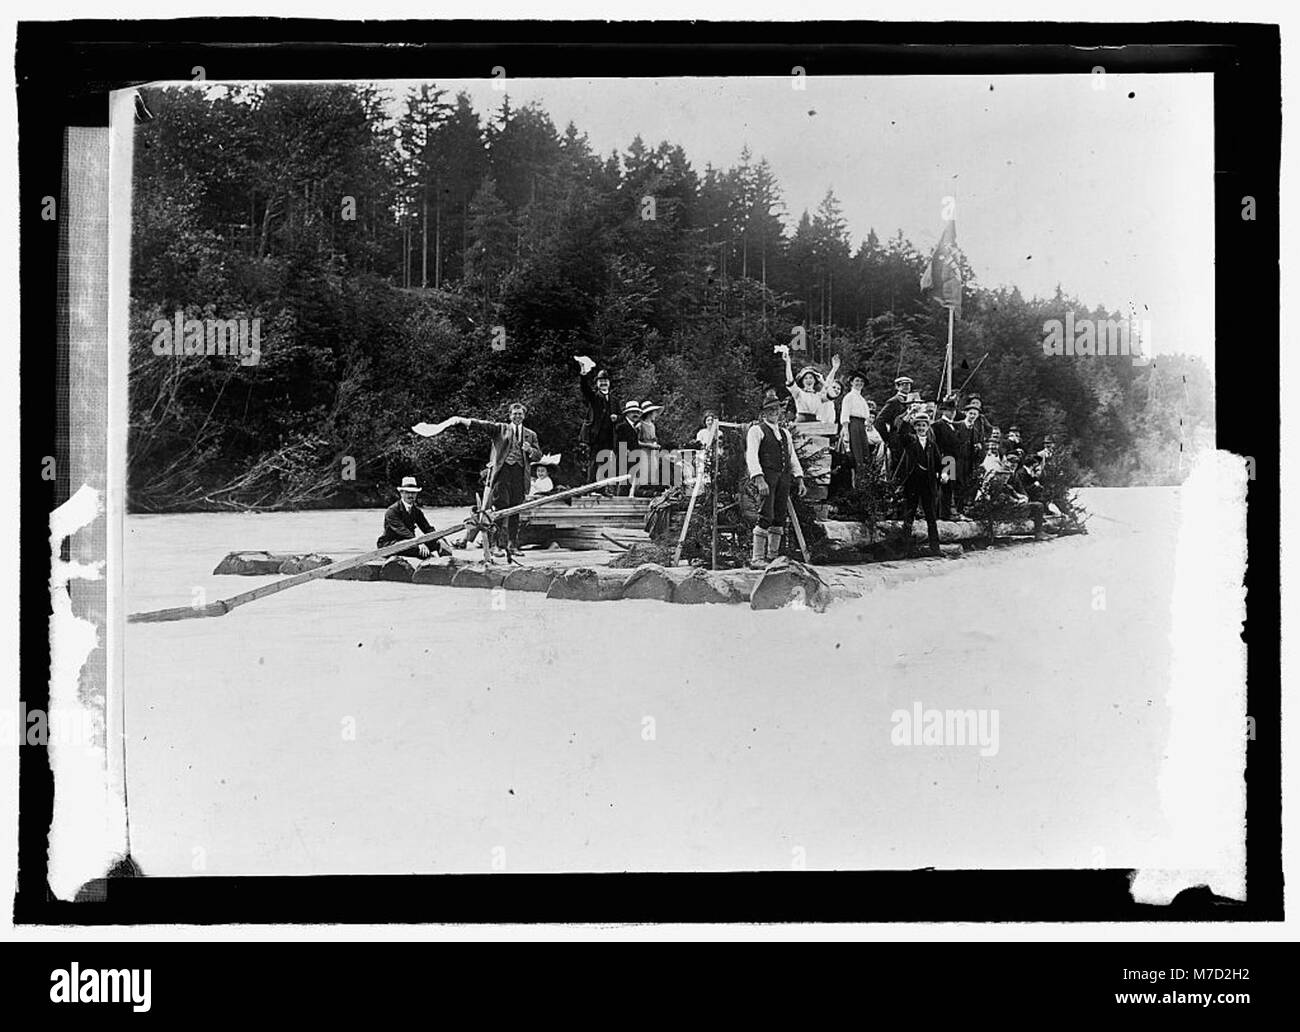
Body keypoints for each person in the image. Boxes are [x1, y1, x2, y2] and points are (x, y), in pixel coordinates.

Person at [445, 403, 542, 553]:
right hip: (502, 473)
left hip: (519, 474)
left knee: (516, 508)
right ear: (509, 416)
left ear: (524, 416)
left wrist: (530, 450)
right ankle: (495, 545)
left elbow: (538, 455)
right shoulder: (500, 429)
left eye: (520, 414)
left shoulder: (531, 434)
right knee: (500, 506)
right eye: (514, 414)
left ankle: (512, 546)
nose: (517, 416)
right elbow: (482, 425)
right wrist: (463, 420)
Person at [745, 388, 806, 568]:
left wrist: (800, 478)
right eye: (770, 410)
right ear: (764, 413)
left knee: (779, 516)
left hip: (783, 477)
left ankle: (772, 557)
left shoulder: (785, 433)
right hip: (767, 477)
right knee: (766, 515)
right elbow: (752, 456)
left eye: (777, 410)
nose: (774, 413)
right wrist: (758, 478)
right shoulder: (756, 431)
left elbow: (792, 456)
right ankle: (757, 558)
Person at [891, 408, 943, 557]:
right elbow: (900, 432)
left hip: (928, 484)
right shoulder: (910, 441)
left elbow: (941, 463)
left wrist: (945, 473)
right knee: (909, 515)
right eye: (918, 425)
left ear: (928, 427)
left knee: (931, 517)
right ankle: (905, 550)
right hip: (912, 483)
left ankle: (935, 549)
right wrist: (909, 414)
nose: (921, 428)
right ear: (915, 427)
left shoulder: (933, 445)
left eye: (924, 425)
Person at [377, 476, 452, 559]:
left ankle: (449, 566)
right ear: (401, 493)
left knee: (440, 543)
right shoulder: (392, 511)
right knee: (424, 552)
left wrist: (439, 538)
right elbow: (402, 531)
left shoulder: (416, 511)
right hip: (390, 544)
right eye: (407, 492)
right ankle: (432, 564)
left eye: (413, 493)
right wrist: (418, 543)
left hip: (410, 542)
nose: (410, 495)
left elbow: (427, 528)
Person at [576, 355, 617, 485]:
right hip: (596, 435)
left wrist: (617, 417)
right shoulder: (595, 397)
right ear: (597, 384)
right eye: (601, 381)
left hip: (609, 436)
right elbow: (585, 390)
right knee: (594, 461)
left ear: (609, 383)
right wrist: (583, 375)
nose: (603, 383)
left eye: (606, 381)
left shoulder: (614, 400)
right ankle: (590, 487)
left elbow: (622, 416)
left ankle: (602, 488)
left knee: (605, 462)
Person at [780, 345, 841, 421]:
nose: (808, 380)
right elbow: (790, 380)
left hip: (815, 422)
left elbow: (832, 394)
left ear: (815, 380)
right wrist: (788, 362)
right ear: (802, 381)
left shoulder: (819, 396)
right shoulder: (798, 393)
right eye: (806, 378)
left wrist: (832, 371)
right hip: (801, 422)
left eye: (811, 378)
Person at [838, 371, 875, 487]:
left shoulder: (862, 399)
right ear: (851, 383)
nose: (859, 383)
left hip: (861, 428)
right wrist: (846, 433)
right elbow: (845, 416)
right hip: (852, 426)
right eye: (857, 381)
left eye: (861, 381)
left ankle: (863, 485)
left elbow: (866, 417)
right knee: (855, 457)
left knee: (864, 456)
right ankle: (855, 487)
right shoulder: (849, 397)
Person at [930, 397, 963, 520]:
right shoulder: (937, 426)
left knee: (949, 488)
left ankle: (946, 513)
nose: (953, 413)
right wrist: (939, 464)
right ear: (944, 411)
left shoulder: (953, 426)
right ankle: (940, 514)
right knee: (943, 487)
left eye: (954, 411)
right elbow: (935, 445)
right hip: (944, 459)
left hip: (952, 460)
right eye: (950, 411)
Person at [615, 401, 644, 495]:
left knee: (629, 481)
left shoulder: (634, 427)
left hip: (633, 458)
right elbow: (619, 442)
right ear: (627, 413)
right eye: (633, 412)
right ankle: (620, 502)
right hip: (625, 458)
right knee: (624, 481)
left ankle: (623, 500)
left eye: (637, 412)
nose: (635, 414)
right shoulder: (622, 426)